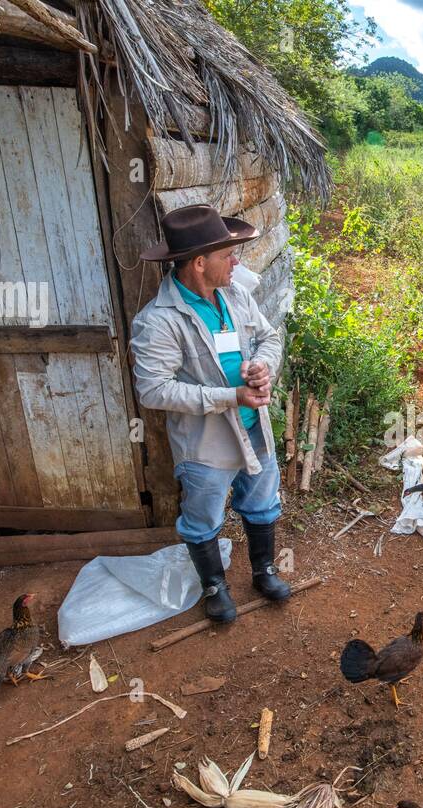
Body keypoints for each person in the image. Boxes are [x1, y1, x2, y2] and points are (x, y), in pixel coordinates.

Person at [129, 204, 292, 623]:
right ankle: (214, 586)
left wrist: (263, 365)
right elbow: (153, 390)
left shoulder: (234, 293)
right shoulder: (159, 321)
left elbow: (268, 337)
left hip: (255, 427)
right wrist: (229, 397)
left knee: (261, 499)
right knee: (203, 516)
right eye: (227, 255)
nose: (236, 261)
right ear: (200, 264)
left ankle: (264, 569)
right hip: (206, 443)